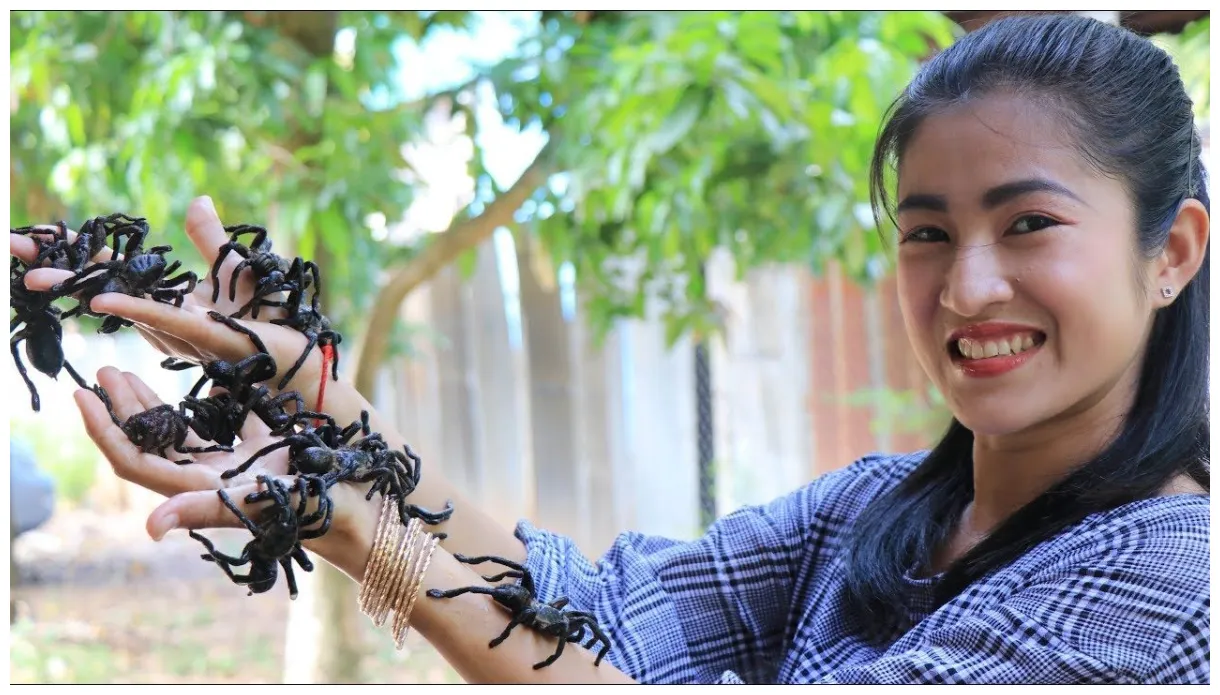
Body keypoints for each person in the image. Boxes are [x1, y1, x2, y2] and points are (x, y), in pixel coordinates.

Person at [10, 13, 1209, 684]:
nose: (966, 284)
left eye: (1029, 223)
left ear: (1170, 251)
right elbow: (598, 614)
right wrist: (323, 405)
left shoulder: (1170, 584)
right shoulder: (876, 510)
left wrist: (360, 531)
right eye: (926, 232)